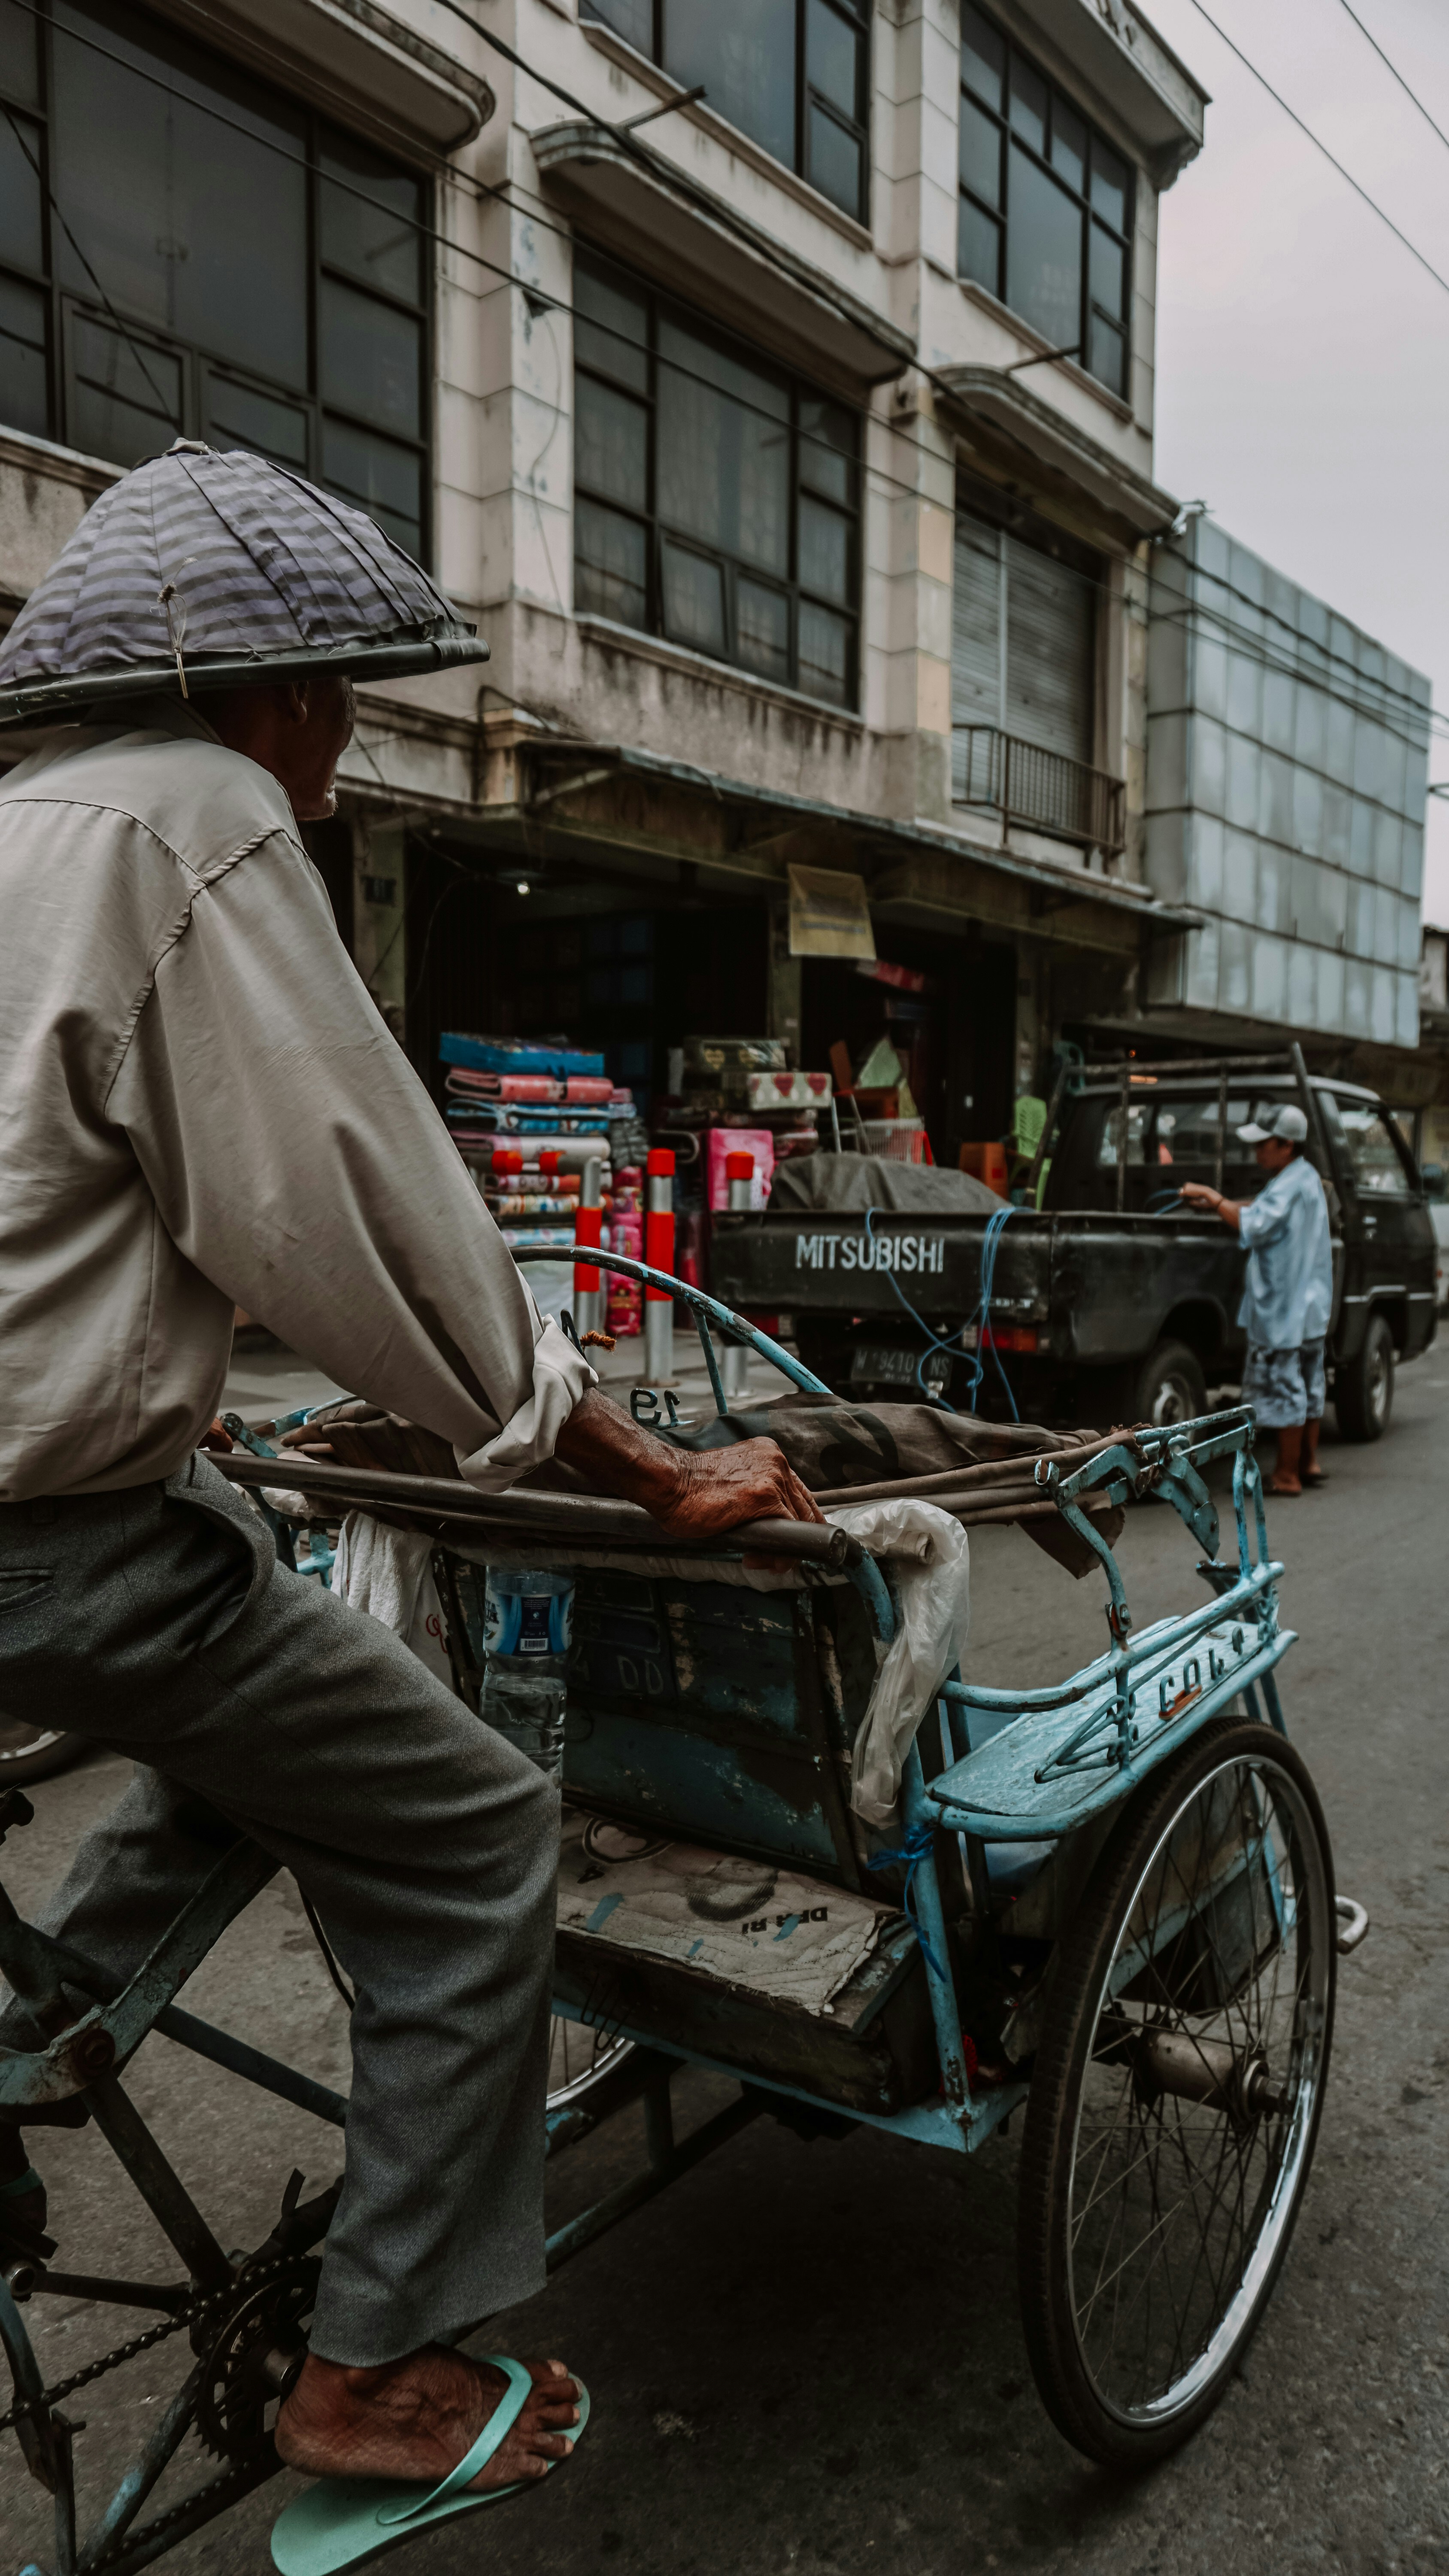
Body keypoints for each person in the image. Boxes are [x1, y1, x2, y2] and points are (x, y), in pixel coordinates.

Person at [0, 444, 821, 2502]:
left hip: (82, 1521)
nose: (346, 771)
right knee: (471, 1824)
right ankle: (376, 2372)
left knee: (250, 1686)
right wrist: (644, 1466)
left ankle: (57, 2018)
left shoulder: (16, 825)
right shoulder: (192, 818)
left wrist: (178, 1396)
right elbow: (369, 1221)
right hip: (62, 1551)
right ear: (271, 696)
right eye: (344, 714)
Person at [1181, 1103, 1334, 1495]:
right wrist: (1224, 1205)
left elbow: (1256, 1222)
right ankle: (1308, 1462)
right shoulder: (1304, 1177)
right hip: (1310, 1307)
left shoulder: (1289, 1182)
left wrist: (1216, 1200)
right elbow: (1265, 1208)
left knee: (1286, 1388)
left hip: (1285, 1306)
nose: (1257, 1153)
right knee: (1310, 1382)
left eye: (1264, 1145)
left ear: (1287, 1144)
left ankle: (1287, 1475)